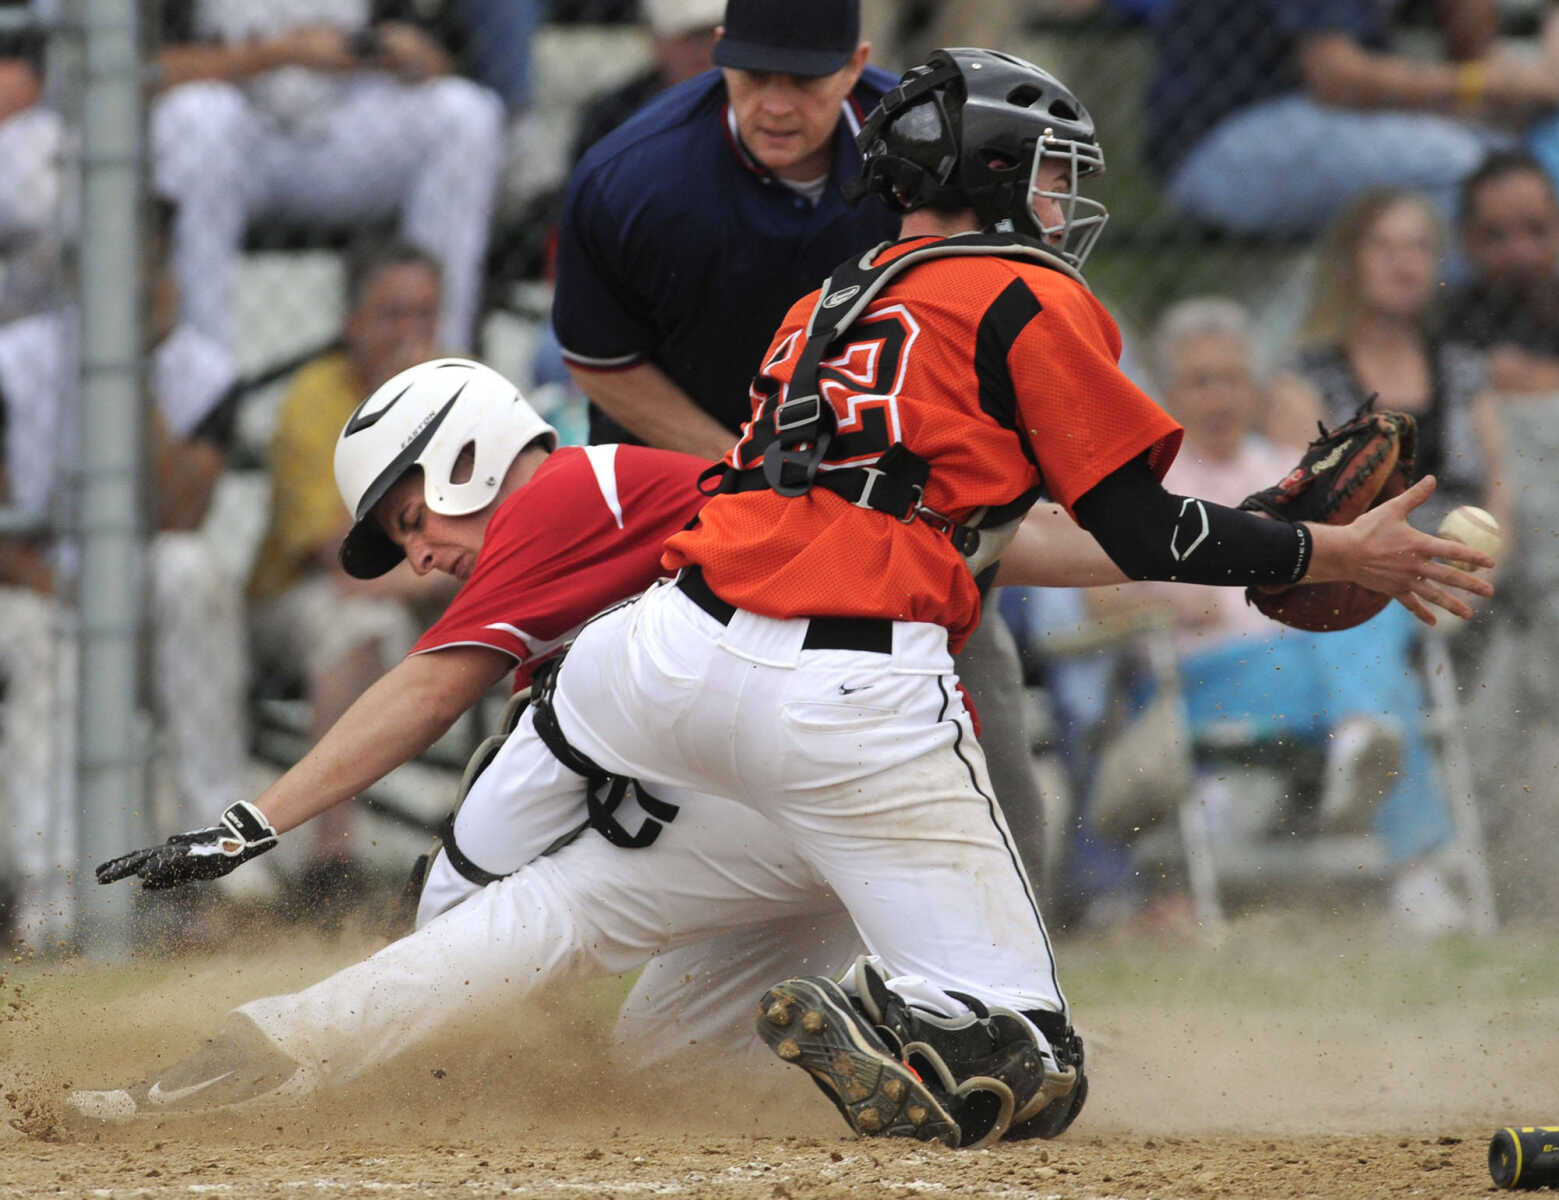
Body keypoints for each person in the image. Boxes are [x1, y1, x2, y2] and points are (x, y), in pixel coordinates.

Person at [101, 49, 1485, 1149]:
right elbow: (1125, 519)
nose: (1062, 205)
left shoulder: (826, 301)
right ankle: (917, 1018)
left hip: (670, 663)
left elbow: (973, 531)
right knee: (1030, 1068)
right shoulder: (1022, 294)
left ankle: (280, 1042)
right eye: (1047, 176)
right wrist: (1315, 555)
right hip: (846, 694)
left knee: (586, 943)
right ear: (994, 177)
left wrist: (1252, 530)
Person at [1139, 297, 1468, 928]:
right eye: (1201, 380)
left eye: (1234, 379)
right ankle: (1416, 869)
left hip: (1306, 665)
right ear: (1167, 392)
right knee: (1375, 664)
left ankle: (1360, 733)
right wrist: (1158, 590)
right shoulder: (1149, 484)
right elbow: (1088, 589)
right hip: (1210, 680)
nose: (1221, 397)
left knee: (1369, 598)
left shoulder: (1284, 471)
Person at [0, 199, 248, 952]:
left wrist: (132, 367)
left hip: (142, 602)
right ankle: (53, 895)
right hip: (38, 589)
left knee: (192, 570)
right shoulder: (14, 362)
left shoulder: (202, 371)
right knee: (47, 642)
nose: (135, 286)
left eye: (150, 268)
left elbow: (182, 514)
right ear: (75, 277)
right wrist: (78, 598)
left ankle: (219, 866)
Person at [247, 238, 457, 899]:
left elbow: (504, 530)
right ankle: (330, 862)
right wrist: (451, 562)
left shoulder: (458, 387)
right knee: (356, 622)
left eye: (424, 315)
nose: (410, 333)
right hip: (296, 603)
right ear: (353, 324)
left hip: (418, 584)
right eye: (391, 314)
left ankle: (485, 858)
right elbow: (340, 558)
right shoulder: (316, 397)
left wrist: (441, 564)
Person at [149, 0, 504, 353]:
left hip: (345, 136)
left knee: (468, 113)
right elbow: (149, 73)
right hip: (239, 141)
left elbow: (432, 60)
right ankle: (203, 379)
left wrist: (392, 52)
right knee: (193, 115)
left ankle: (442, 359)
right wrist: (282, 53)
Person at [1143, 0, 1559, 237]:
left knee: (1515, 168)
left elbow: (1473, 50)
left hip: (1317, 127)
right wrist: (1481, 83)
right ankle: (1457, 341)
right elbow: (1335, 77)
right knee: (1464, 163)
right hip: (1222, 147)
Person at [1266, 188, 1506, 537]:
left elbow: (1501, 497)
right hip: (1352, 577)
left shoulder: (1464, 370)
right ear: (1350, 263)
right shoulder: (1304, 380)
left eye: (1418, 247)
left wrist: (1475, 583)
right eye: (1383, 247)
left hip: (1466, 576)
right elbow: (1299, 514)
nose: (1403, 262)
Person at [1440, 149, 1559, 394]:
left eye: (1537, 230)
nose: (1521, 252)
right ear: (1466, 241)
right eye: (1497, 235)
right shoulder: (1440, 322)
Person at [568, 0, 724, 166]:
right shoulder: (613, 118)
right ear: (656, 40)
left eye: (713, 36)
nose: (703, 51)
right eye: (690, 38)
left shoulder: (746, 105)